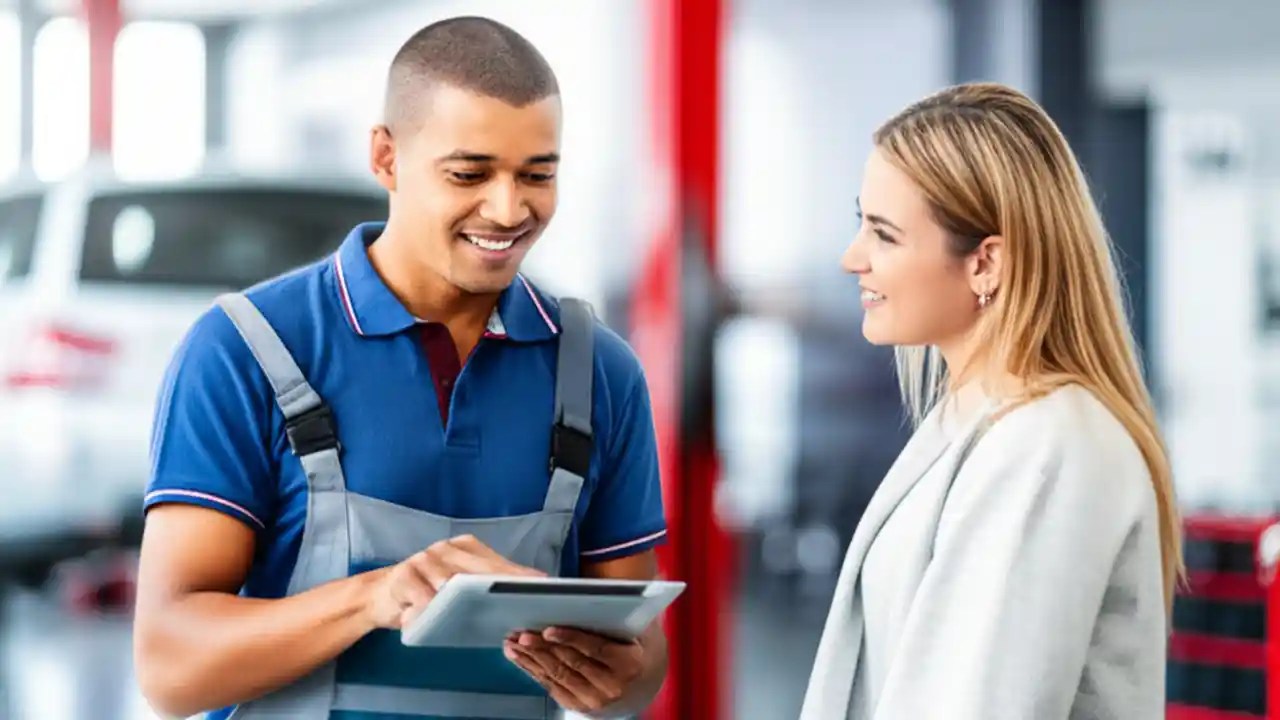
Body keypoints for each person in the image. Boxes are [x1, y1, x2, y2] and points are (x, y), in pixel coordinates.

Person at [133, 16, 669, 720]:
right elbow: (170, 667)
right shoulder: (243, 352)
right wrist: (373, 597)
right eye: (469, 174)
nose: (509, 209)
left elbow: (644, 663)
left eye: (537, 175)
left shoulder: (600, 374)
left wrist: (615, 676)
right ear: (386, 158)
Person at [799, 82, 1181, 719]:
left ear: (986, 265)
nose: (852, 258)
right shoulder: (976, 423)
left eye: (884, 234)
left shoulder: (1049, 446)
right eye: (859, 223)